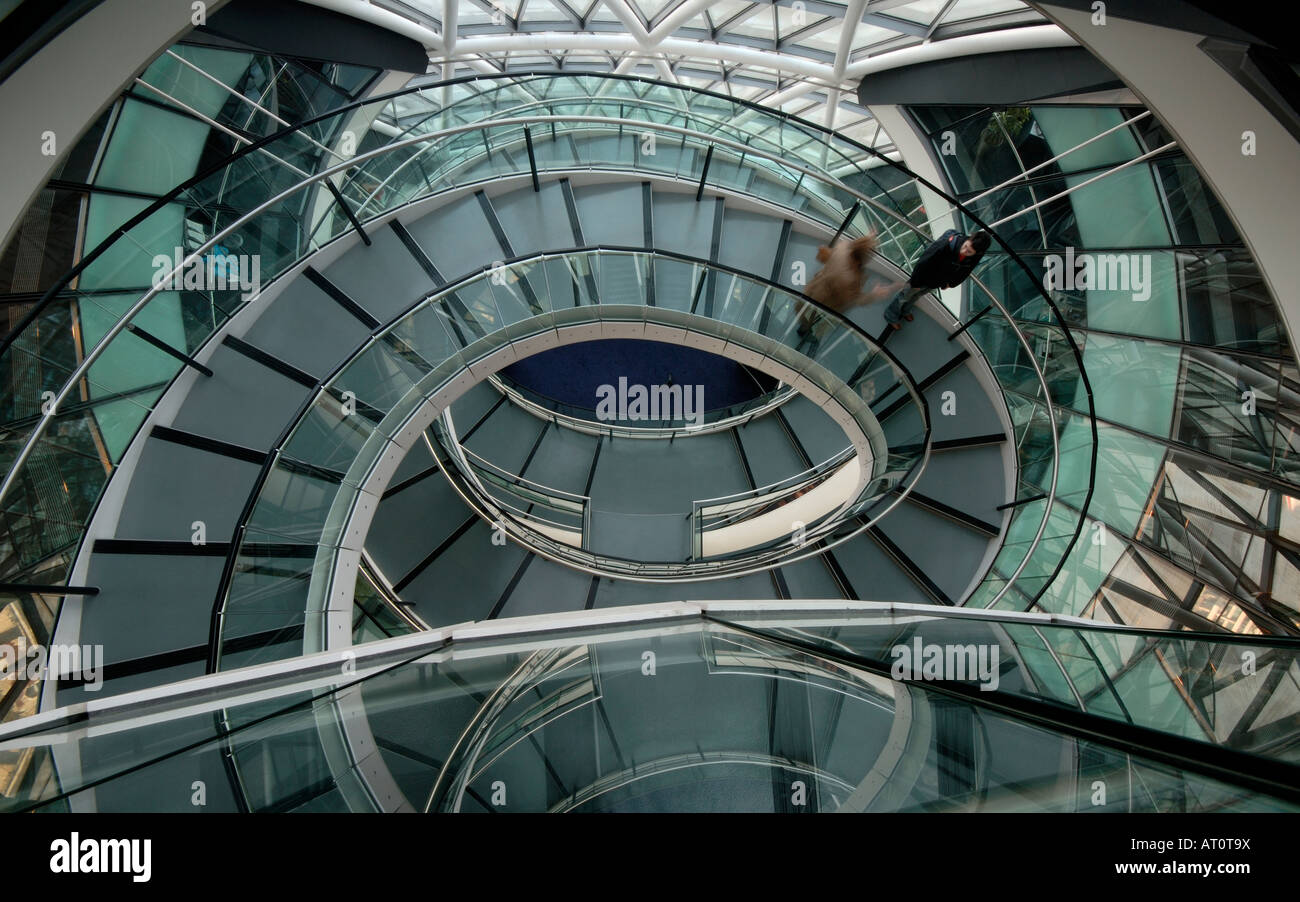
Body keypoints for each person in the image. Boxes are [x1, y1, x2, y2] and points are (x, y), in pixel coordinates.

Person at [882, 228, 991, 330]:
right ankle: (890, 315)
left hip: (936, 281)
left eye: (969, 252)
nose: (964, 251)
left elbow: (965, 272)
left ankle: (905, 311)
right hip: (922, 277)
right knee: (905, 295)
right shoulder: (947, 244)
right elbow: (924, 260)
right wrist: (916, 281)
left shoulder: (974, 257)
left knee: (917, 295)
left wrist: (950, 284)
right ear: (968, 240)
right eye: (966, 246)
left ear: (976, 253)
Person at [796, 231, 880, 348]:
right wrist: (875, 294)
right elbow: (855, 299)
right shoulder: (848, 278)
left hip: (816, 289)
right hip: (831, 303)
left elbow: (830, 257)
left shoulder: (843, 247)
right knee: (819, 318)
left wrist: (869, 237)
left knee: (809, 310)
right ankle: (808, 331)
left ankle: (804, 326)